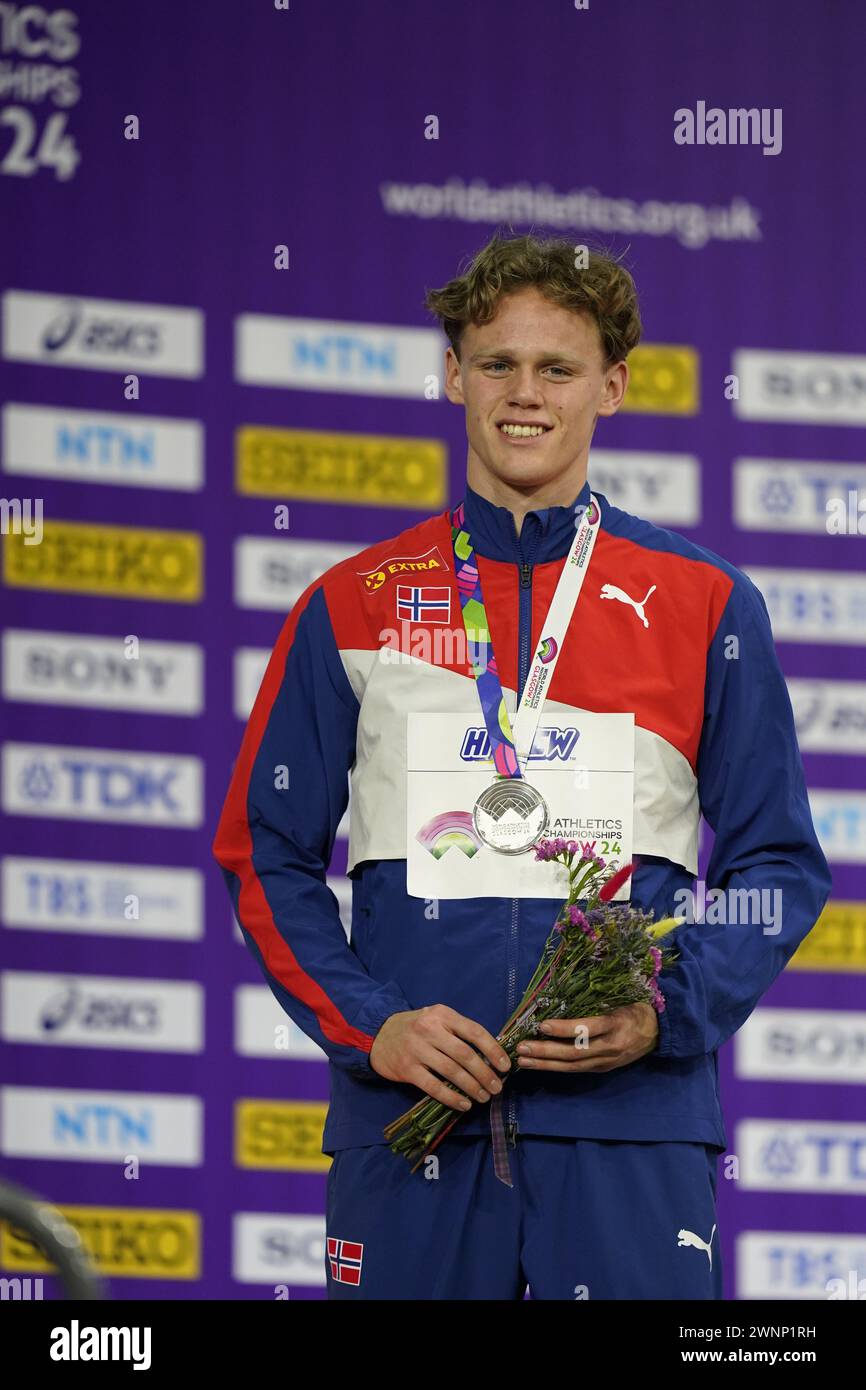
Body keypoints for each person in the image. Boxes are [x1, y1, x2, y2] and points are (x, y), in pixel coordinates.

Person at [212, 232, 832, 1300]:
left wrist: (664, 1012)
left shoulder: (706, 605)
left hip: (629, 1137)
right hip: (410, 1131)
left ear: (612, 386)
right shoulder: (350, 603)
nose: (523, 393)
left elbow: (776, 868)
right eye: (495, 362)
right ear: (452, 374)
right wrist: (374, 1027)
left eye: (557, 367)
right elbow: (261, 855)